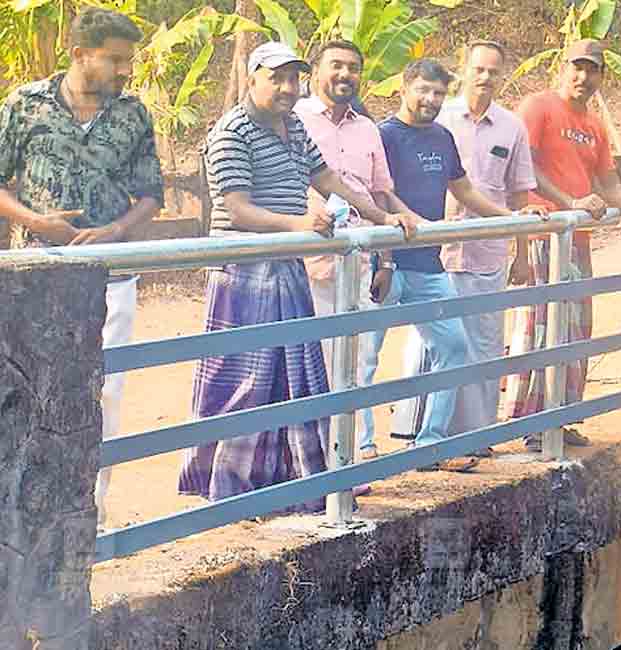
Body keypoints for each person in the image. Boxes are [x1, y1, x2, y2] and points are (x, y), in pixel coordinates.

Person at [179, 41, 421, 505]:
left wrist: (380, 217)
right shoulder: (233, 131)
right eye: (277, 77)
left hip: (287, 264)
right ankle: (229, 490)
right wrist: (298, 224)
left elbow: (329, 179)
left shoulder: (291, 126)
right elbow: (234, 207)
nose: (288, 88)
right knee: (243, 384)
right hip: (245, 271)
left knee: (294, 379)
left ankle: (289, 481)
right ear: (252, 78)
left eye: (294, 78)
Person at [0, 7, 161, 530]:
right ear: (79, 55)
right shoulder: (25, 105)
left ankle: (90, 510)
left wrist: (114, 232)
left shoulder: (133, 114)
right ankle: (22, 511)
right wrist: (35, 221)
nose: (124, 71)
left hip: (110, 275)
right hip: (34, 275)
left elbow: (151, 194)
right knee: (27, 390)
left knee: (105, 392)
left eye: (127, 61)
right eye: (115, 60)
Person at [375, 58, 539, 472]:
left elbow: (464, 190)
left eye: (436, 93)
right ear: (404, 88)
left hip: (430, 266)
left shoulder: (442, 137)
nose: (429, 99)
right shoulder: (383, 136)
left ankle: (430, 445)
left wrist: (510, 219)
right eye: (422, 91)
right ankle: (361, 455)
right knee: (363, 359)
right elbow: (376, 194)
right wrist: (386, 256)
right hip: (385, 264)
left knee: (454, 348)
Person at [507, 39, 621, 452]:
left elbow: (609, 181)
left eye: (593, 70)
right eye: (577, 68)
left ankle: (562, 416)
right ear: (563, 68)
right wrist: (569, 204)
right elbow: (524, 165)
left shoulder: (595, 127)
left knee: (576, 329)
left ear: (602, 76)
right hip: (546, 232)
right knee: (541, 325)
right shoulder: (539, 107)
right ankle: (531, 423)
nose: (584, 77)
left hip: (578, 241)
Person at [294, 40, 405, 461]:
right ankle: (318, 462)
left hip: (359, 262)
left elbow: (380, 195)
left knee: (356, 363)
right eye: (336, 65)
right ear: (315, 72)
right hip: (307, 262)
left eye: (353, 68)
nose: (345, 75)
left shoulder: (367, 129)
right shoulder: (293, 120)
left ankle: (351, 456)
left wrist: (387, 259)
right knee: (313, 364)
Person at [434, 40, 540, 451]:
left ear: (502, 75)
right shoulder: (439, 117)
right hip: (438, 252)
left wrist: (522, 253)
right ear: (464, 68)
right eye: (479, 69)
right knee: (438, 344)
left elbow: (519, 197)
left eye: (494, 71)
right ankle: (431, 437)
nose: (485, 77)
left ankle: (477, 437)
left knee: (484, 344)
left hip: (487, 253)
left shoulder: (511, 127)